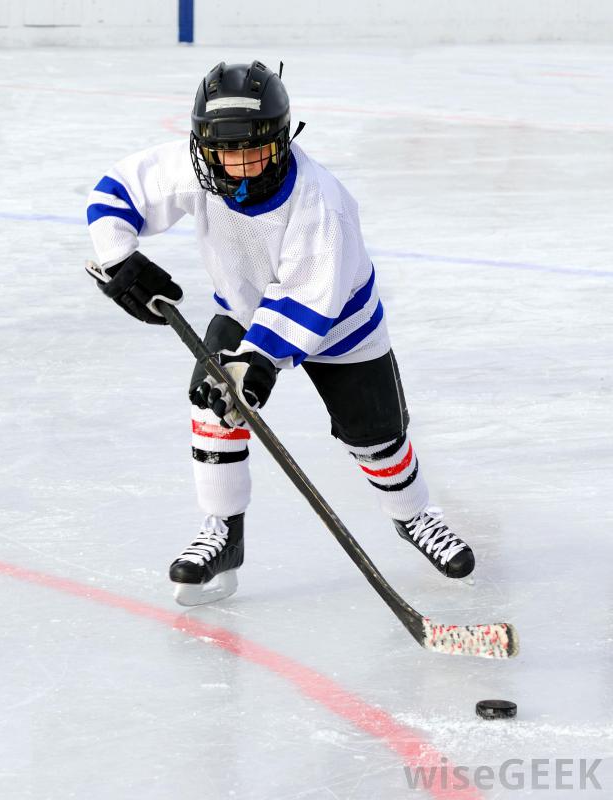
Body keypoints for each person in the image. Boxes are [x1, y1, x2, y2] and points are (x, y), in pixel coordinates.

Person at [85, 60, 474, 606]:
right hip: (244, 310)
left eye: (254, 150)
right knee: (211, 405)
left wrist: (256, 362)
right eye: (226, 151)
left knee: (376, 438)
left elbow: (307, 300)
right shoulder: (194, 169)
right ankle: (223, 532)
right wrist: (118, 256)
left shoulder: (321, 201)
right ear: (203, 145)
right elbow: (116, 193)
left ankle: (415, 516)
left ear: (282, 140)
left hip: (341, 325)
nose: (240, 166)